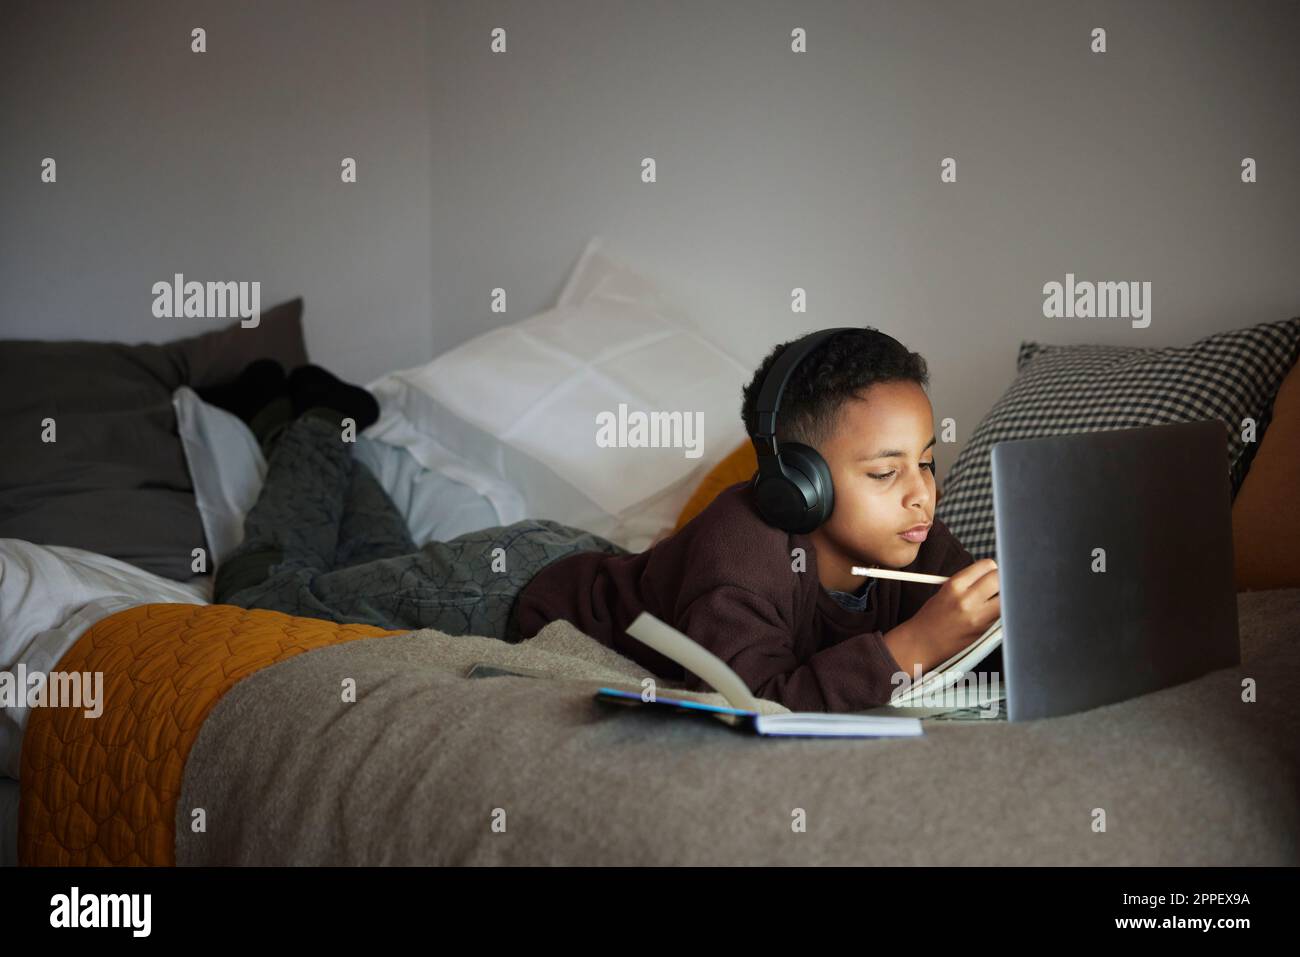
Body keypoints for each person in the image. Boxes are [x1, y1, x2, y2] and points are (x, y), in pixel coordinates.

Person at [216, 328, 1000, 713]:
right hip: (510, 588)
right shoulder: (745, 544)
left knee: (379, 568)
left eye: (926, 460)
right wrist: (914, 644)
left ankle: (336, 448)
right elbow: (752, 703)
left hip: (594, 566)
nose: (920, 493)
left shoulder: (911, 533)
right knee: (271, 597)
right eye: (884, 470)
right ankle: (316, 423)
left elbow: (995, 645)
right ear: (798, 482)